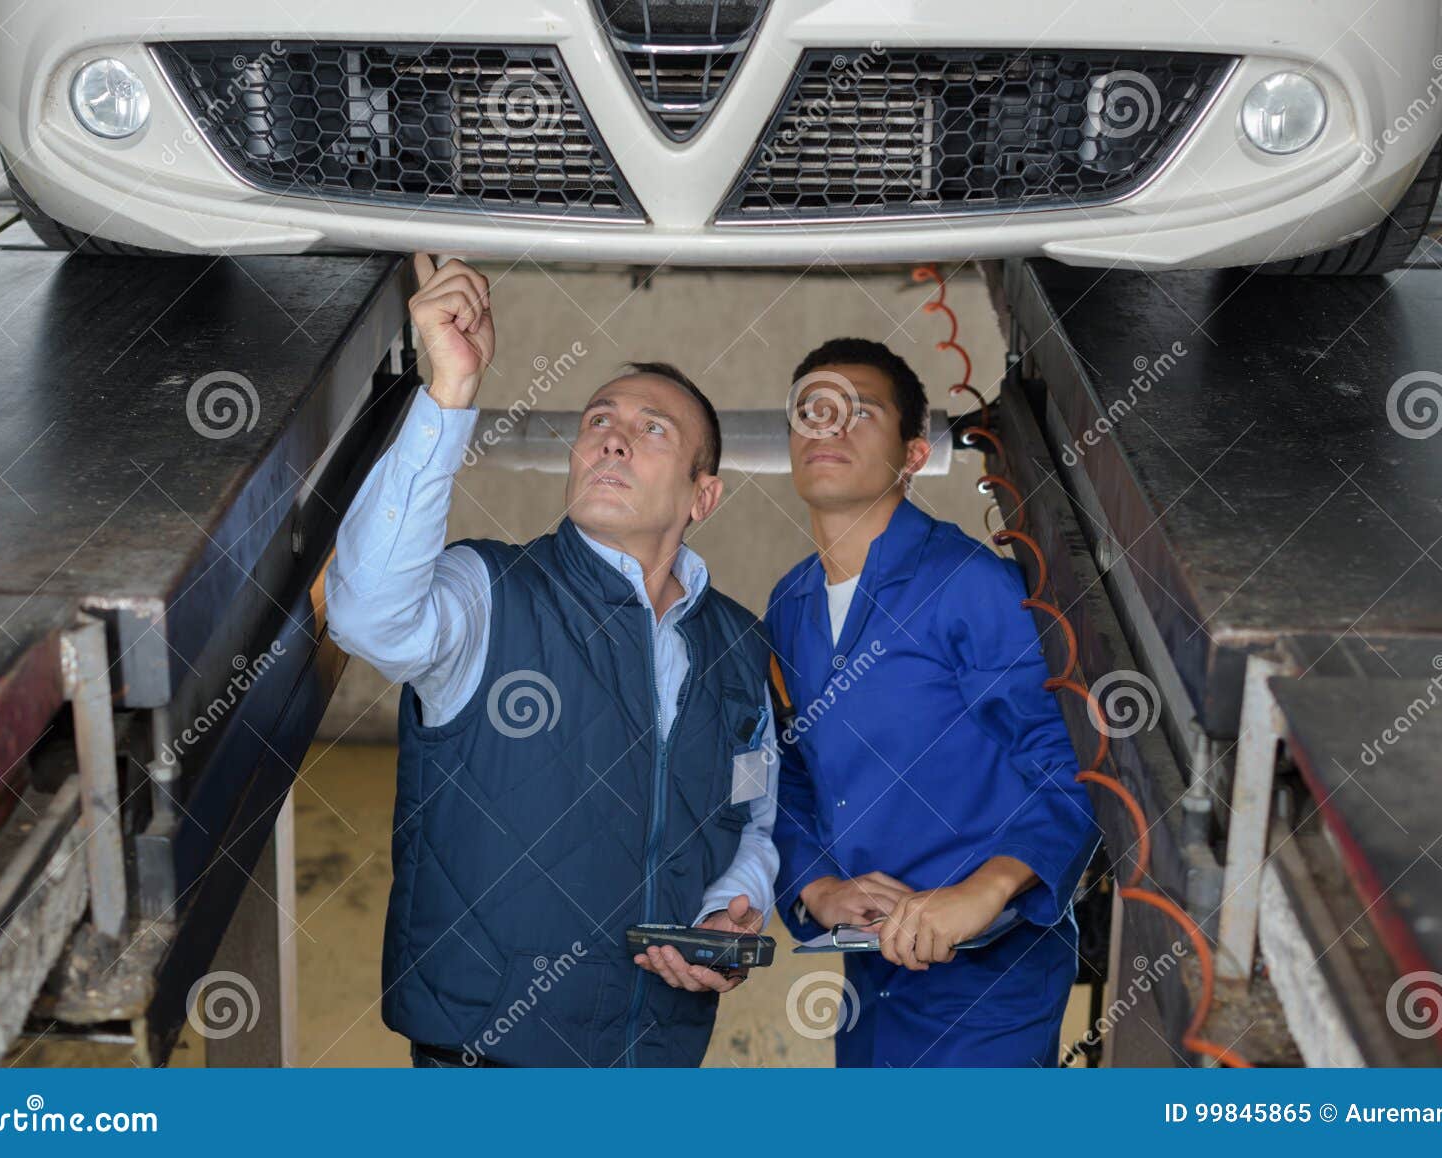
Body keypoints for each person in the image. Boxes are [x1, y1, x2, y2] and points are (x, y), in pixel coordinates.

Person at [327, 255, 778, 1068]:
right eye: (598, 420)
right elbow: (367, 615)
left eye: (653, 430)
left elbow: (753, 816)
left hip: (658, 1055)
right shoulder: (491, 592)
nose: (612, 437)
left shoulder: (742, 647)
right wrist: (450, 391)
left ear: (701, 497)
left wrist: (730, 908)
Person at [766, 338, 1099, 1068]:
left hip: (991, 977)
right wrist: (818, 887)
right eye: (811, 411)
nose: (827, 426)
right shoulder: (789, 605)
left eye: (859, 412)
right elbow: (787, 773)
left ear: (914, 454)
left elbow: (1075, 762)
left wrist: (986, 889)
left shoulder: (969, 586)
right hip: (869, 976)